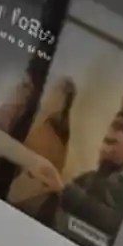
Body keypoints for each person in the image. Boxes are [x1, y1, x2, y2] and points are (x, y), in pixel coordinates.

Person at [45, 112, 123, 245]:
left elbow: (111, 221)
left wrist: (66, 191)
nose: (104, 148)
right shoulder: (92, 177)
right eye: (104, 141)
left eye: (112, 143)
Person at [8, 76, 77, 206]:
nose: (50, 94)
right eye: (52, 90)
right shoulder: (39, 117)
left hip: (28, 192)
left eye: (56, 92)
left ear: (64, 101)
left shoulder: (54, 132)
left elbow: (40, 171)